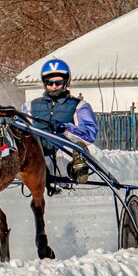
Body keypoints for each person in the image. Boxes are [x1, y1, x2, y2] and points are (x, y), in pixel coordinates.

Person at [27, 59, 98, 192]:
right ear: (44, 83)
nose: (54, 86)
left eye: (58, 82)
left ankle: (76, 170)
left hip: (64, 152)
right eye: (49, 82)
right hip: (39, 155)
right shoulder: (30, 106)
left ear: (66, 82)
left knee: (73, 148)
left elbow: (90, 135)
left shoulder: (80, 105)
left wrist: (66, 128)